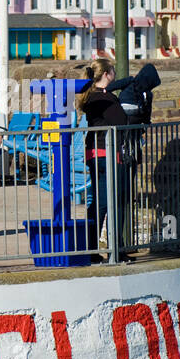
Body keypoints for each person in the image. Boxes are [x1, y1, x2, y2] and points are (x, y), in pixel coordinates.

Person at [76, 57, 131, 264]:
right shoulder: (107, 99)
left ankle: (91, 249)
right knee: (112, 202)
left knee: (98, 202)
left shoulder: (90, 96)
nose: (115, 74)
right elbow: (121, 121)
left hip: (93, 154)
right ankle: (115, 250)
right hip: (108, 154)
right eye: (113, 71)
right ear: (107, 74)